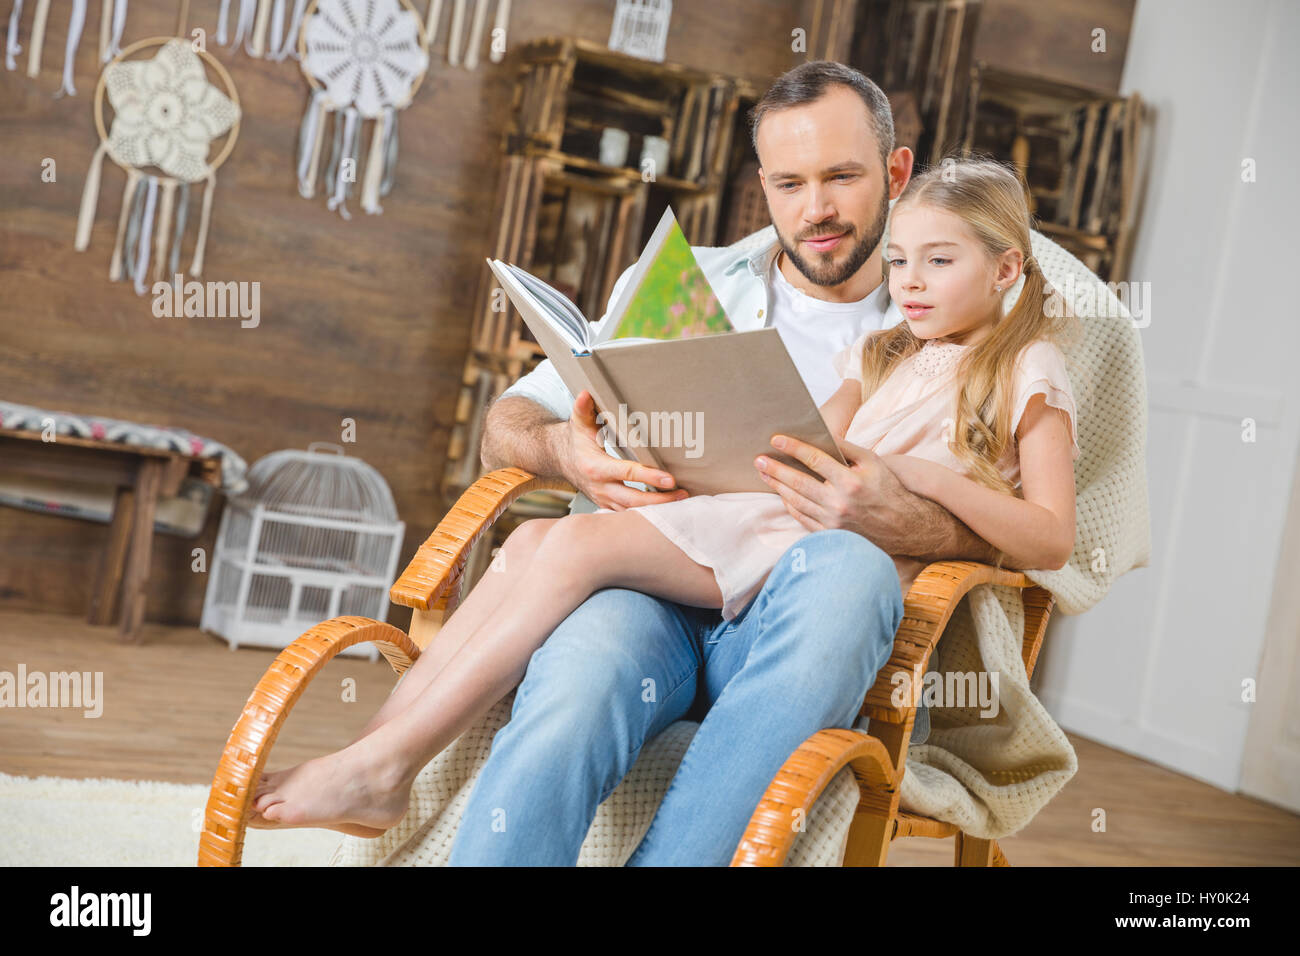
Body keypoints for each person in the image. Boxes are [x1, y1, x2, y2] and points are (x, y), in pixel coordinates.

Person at [248, 153, 1081, 860]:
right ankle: (382, 761)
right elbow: (797, 445)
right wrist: (666, 430)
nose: (911, 283)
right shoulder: (879, 349)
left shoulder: (1029, 368)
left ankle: (382, 763)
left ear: (1006, 268)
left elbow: (1051, 537)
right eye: (900, 262)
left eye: (940, 261)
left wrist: (923, 480)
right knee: (538, 543)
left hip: (803, 566)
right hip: (755, 524)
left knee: (556, 547)